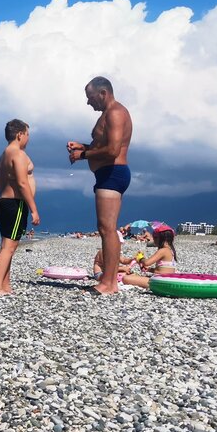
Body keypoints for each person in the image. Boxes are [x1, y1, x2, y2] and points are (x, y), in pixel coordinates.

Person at [67, 77, 133, 294]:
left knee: (107, 229)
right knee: (106, 229)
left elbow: (113, 150)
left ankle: (109, 283)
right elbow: (105, 146)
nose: (88, 103)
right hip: (108, 174)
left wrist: (83, 154)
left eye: (90, 97)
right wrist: (83, 146)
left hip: (112, 173)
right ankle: (109, 281)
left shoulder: (115, 112)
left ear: (103, 93)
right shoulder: (110, 114)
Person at [0, 118, 40, 297]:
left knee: (7, 245)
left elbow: (2, 183)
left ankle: (5, 285)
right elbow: (22, 183)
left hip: (3, 202)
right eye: (27, 134)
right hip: (14, 203)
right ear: (19, 135)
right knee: (8, 248)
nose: (28, 138)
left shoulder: (3, 155)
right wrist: (33, 208)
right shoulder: (17, 154)